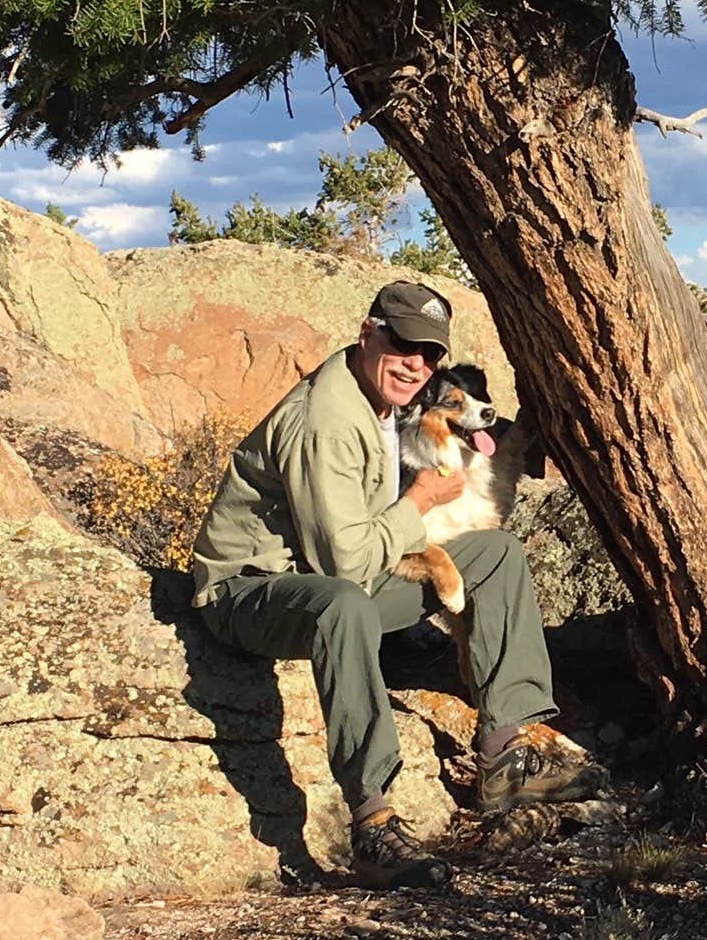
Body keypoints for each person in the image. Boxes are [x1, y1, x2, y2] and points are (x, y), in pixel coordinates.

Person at [190, 280, 601, 888]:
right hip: (253, 592)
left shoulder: (384, 405)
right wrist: (417, 503)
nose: (416, 363)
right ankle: (373, 819)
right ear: (368, 332)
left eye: (429, 353)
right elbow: (344, 564)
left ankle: (504, 753)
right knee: (345, 606)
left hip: (326, 572)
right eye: (402, 343)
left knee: (493, 552)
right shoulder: (327, 420)